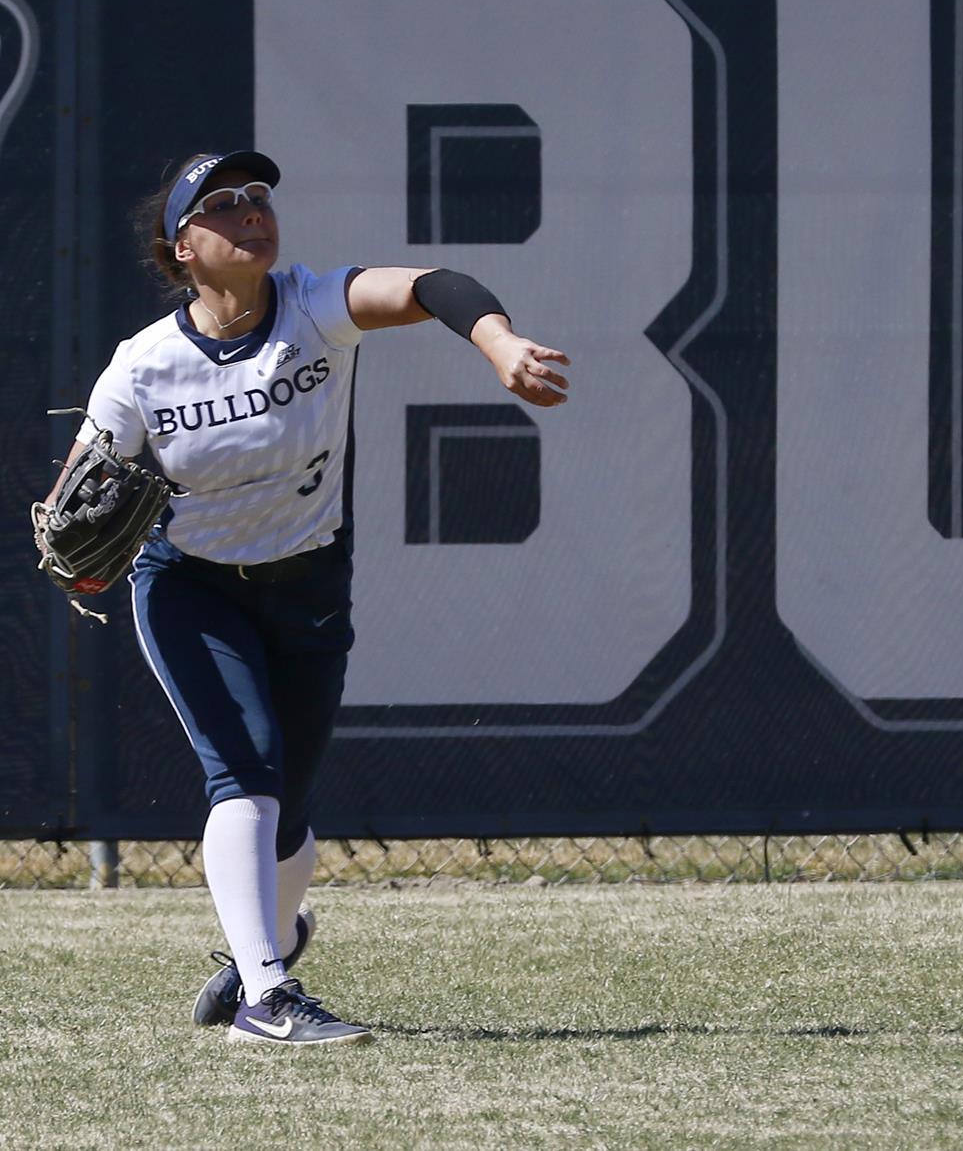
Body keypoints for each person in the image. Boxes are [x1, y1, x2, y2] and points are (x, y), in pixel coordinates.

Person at [44, 150, 569, 1048]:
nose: (252, 212)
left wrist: (499, 342)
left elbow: (434, 283)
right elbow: (74, 506)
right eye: (223, 206)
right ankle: (266, 997)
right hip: (191, 586)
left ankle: (267, 945)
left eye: (258, 198)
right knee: (242, 771)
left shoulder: (315, 308)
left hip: (309, 582)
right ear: (182, 248)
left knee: (287, 804)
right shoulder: (142, 370)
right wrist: (73, 543)